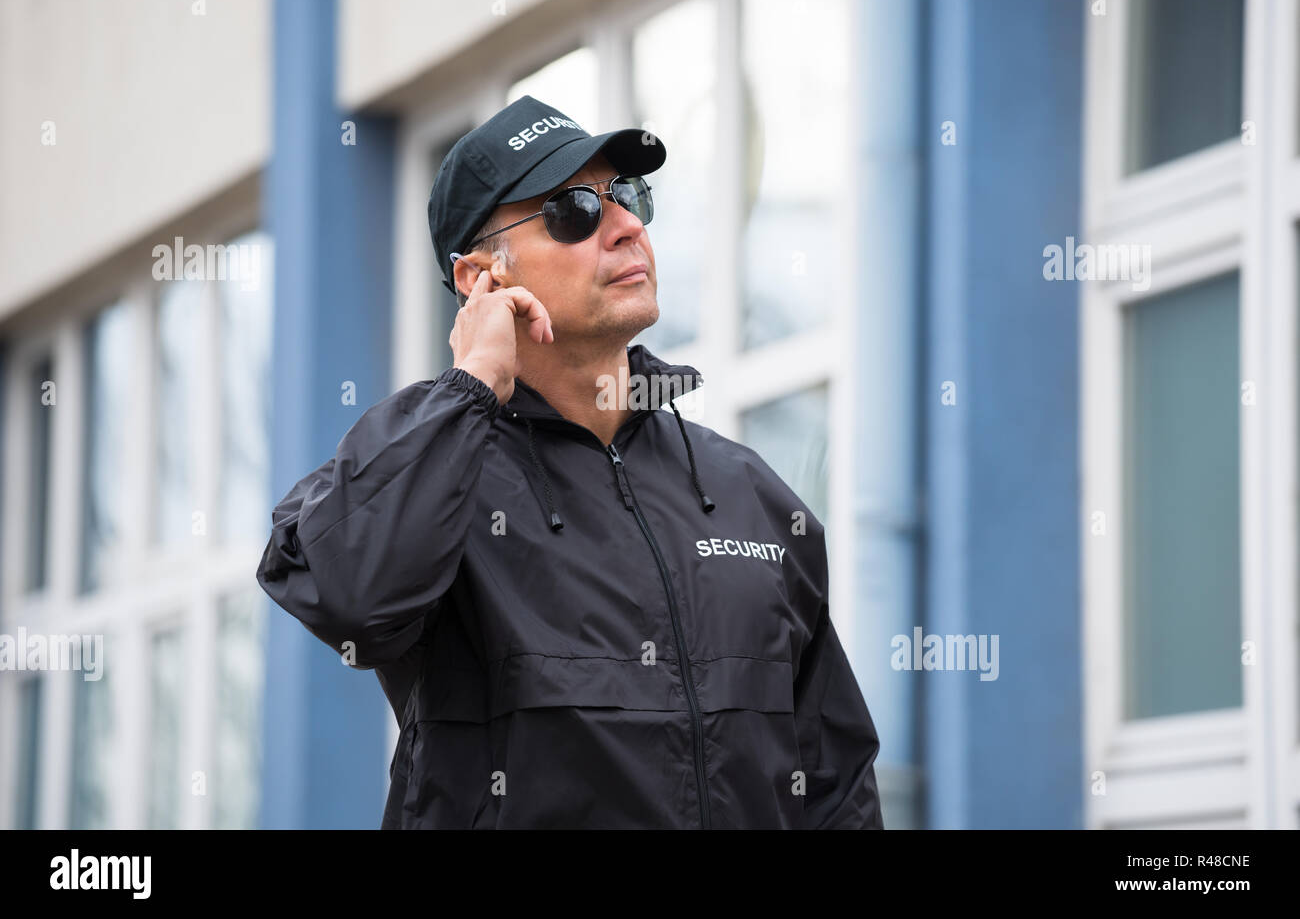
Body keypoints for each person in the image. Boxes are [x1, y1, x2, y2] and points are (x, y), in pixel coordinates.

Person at [256, 95, 885, 829]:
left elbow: (838, 787)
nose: (624, 226)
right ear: (478, 276)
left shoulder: (748, 493)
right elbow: (352, 599)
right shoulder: (432, 466)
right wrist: (470, 388)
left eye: (628, 195)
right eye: (574, 209)